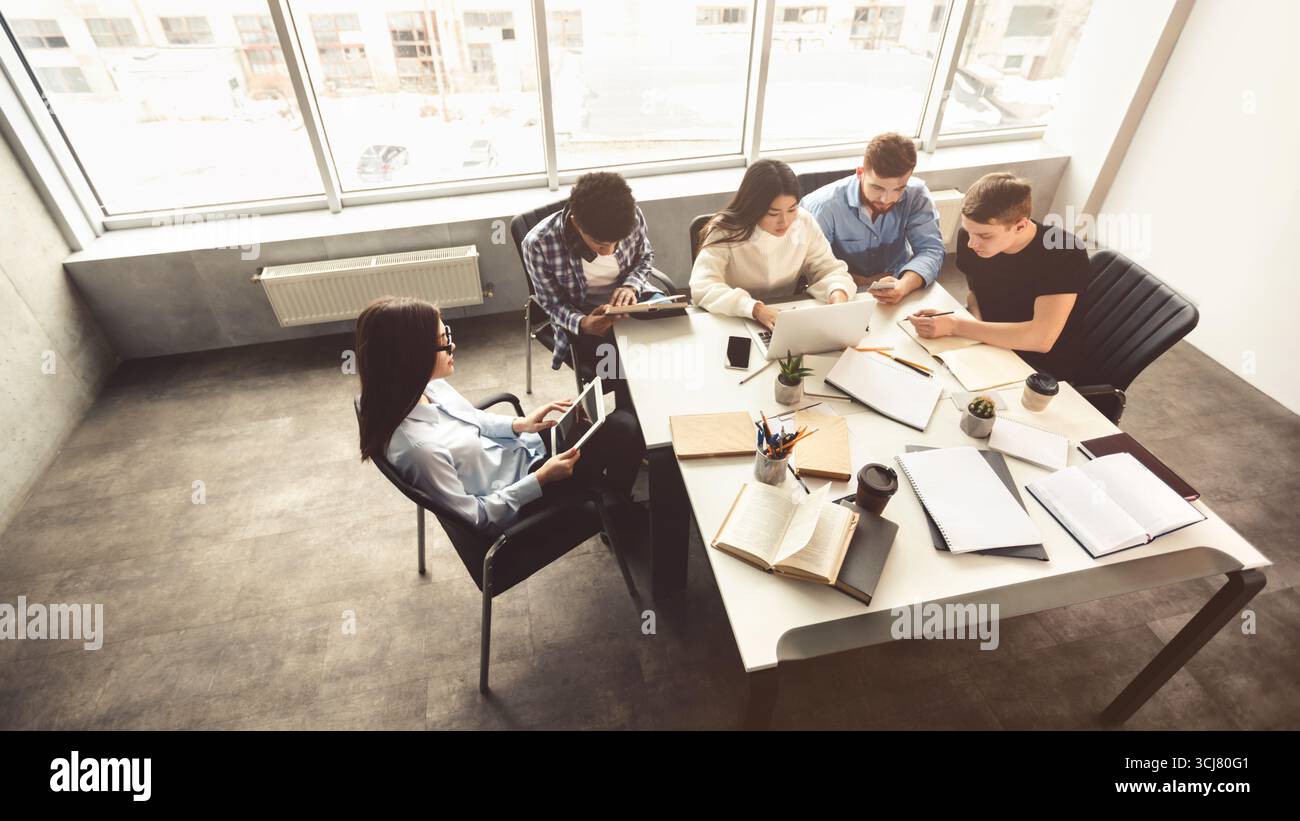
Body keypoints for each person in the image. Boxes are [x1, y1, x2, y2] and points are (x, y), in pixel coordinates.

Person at [355, 296, 644, 532]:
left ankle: (612, 501)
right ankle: (615, 510)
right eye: (443, 340)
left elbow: (473, 419)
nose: (452, 345)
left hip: (519, 453)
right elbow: (476, 518)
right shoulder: (420, 451)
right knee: (625, 426)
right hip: (523, 492)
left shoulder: (423, 387)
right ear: (411, 356)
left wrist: (520, 424)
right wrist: (541, 479)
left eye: (448, 334)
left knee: (587, 421)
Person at [907, 172, 1090, 382]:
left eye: (985, 235)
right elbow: (975, 293)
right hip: (988, 342)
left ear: (1020, 225)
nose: (971, 244)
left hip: (1038, 367)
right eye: (969, 231)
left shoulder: (1064, 252)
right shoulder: (972, 239)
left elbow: (1041, 338)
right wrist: (971, 320)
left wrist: (956, 325)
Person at [522, 172, 662, 408]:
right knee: (626, 366)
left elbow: (645, 257)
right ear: (576, 223)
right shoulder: (538, 244)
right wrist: (583, 323)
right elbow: (551, 304)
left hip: (635, 298)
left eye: (617, 242)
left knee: (676, 333)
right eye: (601, 244)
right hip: (584, 313)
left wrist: (631, 285)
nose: (610, 251)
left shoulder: (630, 215)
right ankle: (631, 421)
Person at [689, 159, 854, 329]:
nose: (785, 221)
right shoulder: (725, 230)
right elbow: (703, 285)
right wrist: (754, 309)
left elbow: (829, 269)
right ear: (754, 207)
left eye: (792, 209)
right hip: (733, 318)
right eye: (773, 213)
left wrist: (837, 292)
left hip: (783, 316)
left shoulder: (803, 221)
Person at [800, 132, 946, 304]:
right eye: (877, 188)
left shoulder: (917, 195)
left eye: (898, 189)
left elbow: (931, 250)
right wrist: (867, 283)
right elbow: (813, 267)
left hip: (899, 289)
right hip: (840, 293)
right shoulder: (822, 206)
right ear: (860, 173)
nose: (886, 199)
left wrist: (904, 284)